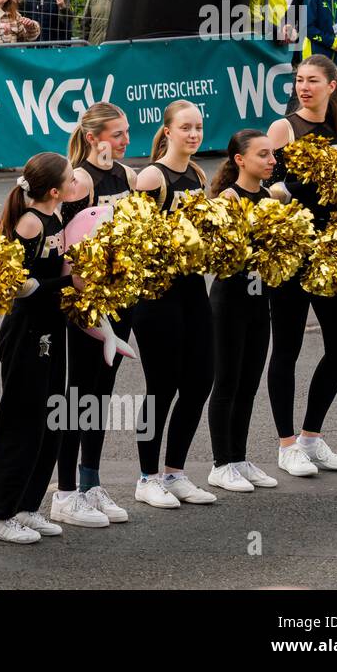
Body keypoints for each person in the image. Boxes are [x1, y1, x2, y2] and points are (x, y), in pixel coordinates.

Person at [265, 54, 337, 478]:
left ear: (332, 85)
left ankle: (312, 437)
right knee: (287, 347)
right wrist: (287, 189)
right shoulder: (284, 128)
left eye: (312, 81)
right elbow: (269, 188)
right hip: (291, 246)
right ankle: (286, 444)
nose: (303, 87)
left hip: (331, 247)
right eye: (299, 80)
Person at [0, 153, 85, 544]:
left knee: (50, 419)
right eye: (72, 179)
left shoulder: (56, 218)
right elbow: (18, 286)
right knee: (21, 422)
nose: (77, 183)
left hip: (51, 327)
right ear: (55, 190)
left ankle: (27, 506)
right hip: (26, 331)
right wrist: (68, 285)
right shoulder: (30, 222)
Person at [53, 102, 136, 526]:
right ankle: (65, 493)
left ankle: (91, 481)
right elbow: (66, 248)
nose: (125, 140)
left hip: (119, 296)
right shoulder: (79, 181)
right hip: (85, 302)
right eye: (117, 134)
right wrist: (87, 301)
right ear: (92, 138)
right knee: (79, 392)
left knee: (102, 390)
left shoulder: (124, 174)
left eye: (125, 132)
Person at [131, 101, 217, 509]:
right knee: (161, 387)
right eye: (185, 127)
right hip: (156, 293)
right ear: (167, 131)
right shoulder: (153, 176)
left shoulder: (198, 174)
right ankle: (146, 477)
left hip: (192, 288)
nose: (194, 134)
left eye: (198, 127)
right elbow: (134, 238)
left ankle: (176, 472)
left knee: (200, 380)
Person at [206, 130, 279, 492]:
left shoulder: (267, 196)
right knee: (227, 382)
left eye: (272, 154)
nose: (271, 160)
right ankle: (221, 463)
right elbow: (220, 258)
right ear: (240, 160)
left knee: (249, 383)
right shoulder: (227, 199)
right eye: (263, 155)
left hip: (258, 300)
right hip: (230, 302)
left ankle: (239, 457)